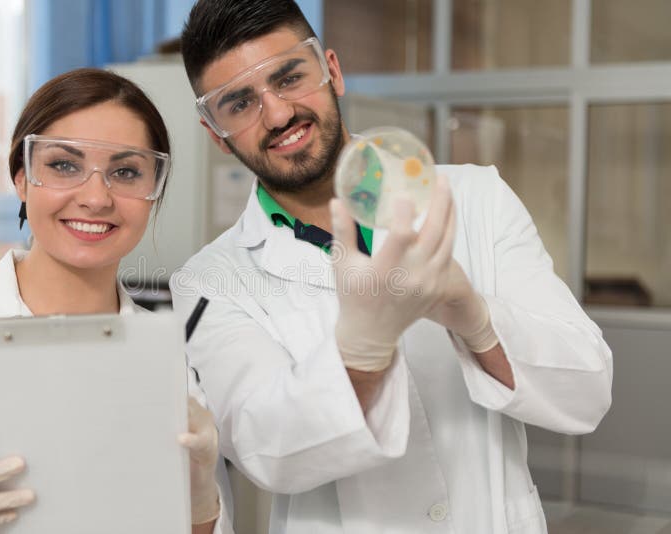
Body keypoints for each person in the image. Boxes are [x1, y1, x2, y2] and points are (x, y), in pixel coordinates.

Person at [170, 1, 613, 533]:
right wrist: (359, 355)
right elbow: (268, 450)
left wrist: (477, 320)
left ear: (332, 70)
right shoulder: (209, 280)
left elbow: (588, 390)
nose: (279, 114)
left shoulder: (474, 197)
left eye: (289, 77)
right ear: (216, 133)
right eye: (239, 103)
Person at [0, 68, 232, 534]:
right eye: (65, 165)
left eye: (126, 172)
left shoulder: (170, 355)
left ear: (153, 193)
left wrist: (201, 501)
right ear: (21, 179)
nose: (97, 198)